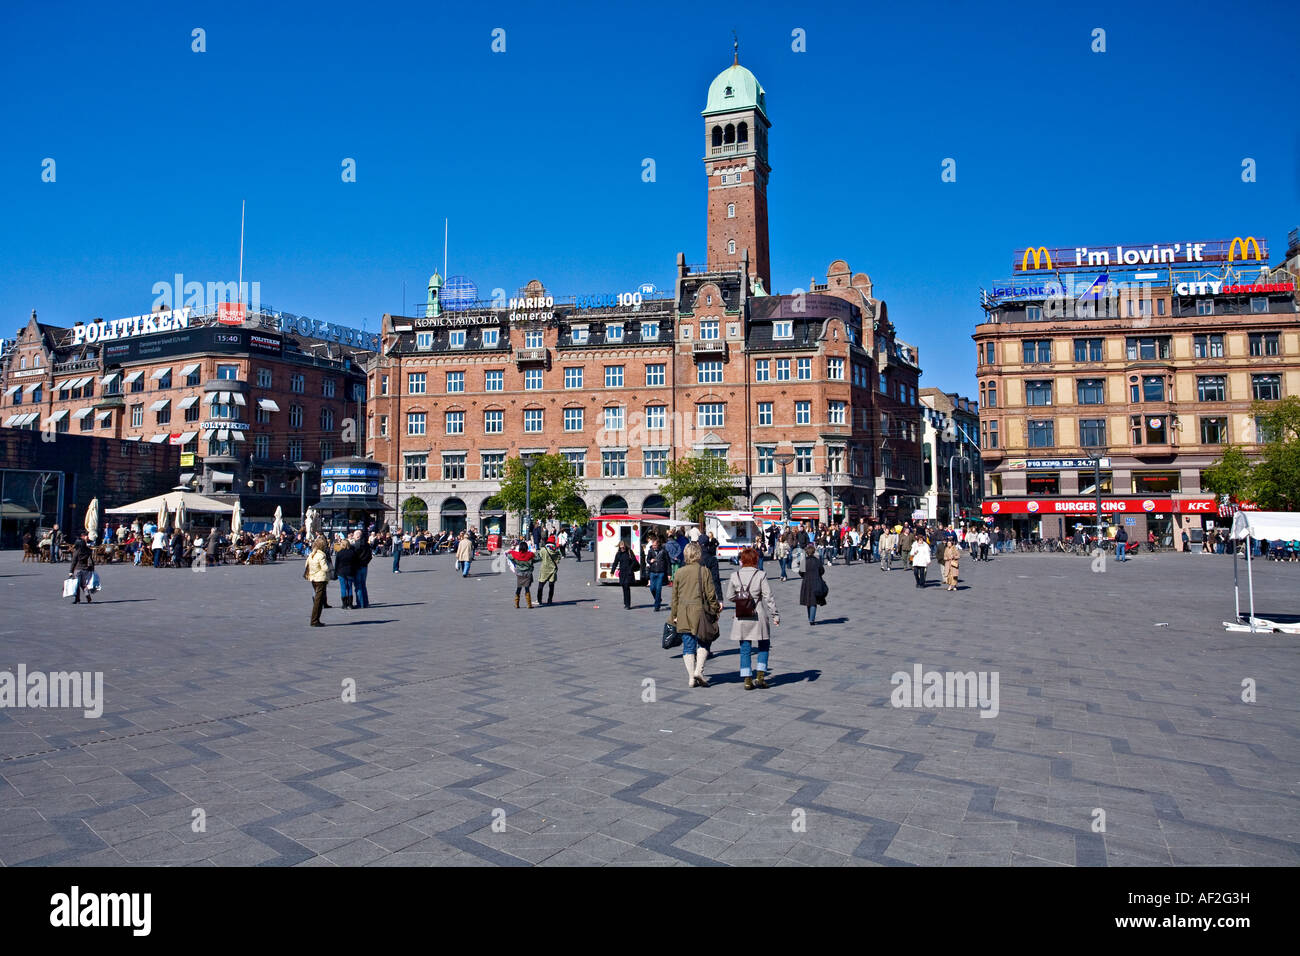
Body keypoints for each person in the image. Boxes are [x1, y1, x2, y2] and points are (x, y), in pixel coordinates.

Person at [724, 547, 780, 690]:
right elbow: (769, 597)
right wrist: (775, 615)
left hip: (742, 614)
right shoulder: (760, 575)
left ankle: (747, 679)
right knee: (764, 645)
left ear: (742, 560)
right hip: (758, 614)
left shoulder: (734, 575)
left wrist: (741, 599)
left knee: (745, 647)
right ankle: (760, 676)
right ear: (755, 560)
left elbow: (729, 596)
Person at [670, 541, 721, 688]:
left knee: (688, 646)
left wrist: (674, 615)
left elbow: (675, 597)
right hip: (700, 613)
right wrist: (715, 609)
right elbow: (711, 594)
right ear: (698, 554)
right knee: (704, 641)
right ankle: (699, 670)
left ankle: (691, 677)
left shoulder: (679, 572)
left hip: (683, 613)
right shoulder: (704, 571)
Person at [798, 544, 827, 625]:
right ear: (814, 552)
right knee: (813, 601)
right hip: (816, 581)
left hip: (806, 582)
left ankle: (810, 617)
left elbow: (801, 573)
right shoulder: (817, 561)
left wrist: (804, 575)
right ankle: (812, 619)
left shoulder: (804, 561)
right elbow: (822, 571)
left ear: (807, 552)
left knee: (808, 600)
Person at [305, 536, 330, 626]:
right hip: (320, 578)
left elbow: (306, 565)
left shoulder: (311, 554)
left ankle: (315, 619)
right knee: (318, 601)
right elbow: (325, 568)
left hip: (313, 578)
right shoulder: (321, 555)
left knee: (318, 599)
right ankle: (315, 620)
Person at [508, 538, 537, 608]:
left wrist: (513, 550)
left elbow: (509, 555)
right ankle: (529, 604)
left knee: (518, 588)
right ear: (527, 548)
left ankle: (517, 604)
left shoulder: (516, 555)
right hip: (528, 574)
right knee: (527, 589)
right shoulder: (530, 555)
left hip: (519, 574)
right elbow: (537, 558)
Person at [611, 539, 639, 610]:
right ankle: (625, 602)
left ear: (625, 546)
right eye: (621, 547)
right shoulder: (618, 554)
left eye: (623, 547)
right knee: (623, 587)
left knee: (626, 586)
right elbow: (615, 563)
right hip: (622, 573)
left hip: (628, 573)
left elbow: (634, 561)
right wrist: (612, 571)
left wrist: (630, 568)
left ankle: (628, 604)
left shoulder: (629, 552)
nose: (622, 548)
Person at [68, 531, 95, 604]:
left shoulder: (77, 551)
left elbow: (74, 562)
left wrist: (70, 571)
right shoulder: (88, 551)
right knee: (83, 584)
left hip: (78, 569)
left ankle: (77, 599)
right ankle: (87, 595)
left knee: (77, 585)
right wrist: (92, 569)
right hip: (86, 569)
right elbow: (91, 561)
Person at [645, 535, 669, 612]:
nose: (654, 546)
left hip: (660, 572)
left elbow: (668, 562)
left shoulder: (664, 551)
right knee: (652, 588)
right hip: (652, 572)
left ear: (658, 544)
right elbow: (647, 559)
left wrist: (669, 573)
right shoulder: (650, 551)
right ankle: (658, 599)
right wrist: (650, 561)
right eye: (653, 545)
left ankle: (656, 606)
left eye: (655, 545)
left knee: (658, 589)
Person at [536, 535, 562, 606]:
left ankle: (539, 600)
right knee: (551, 585)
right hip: (553, 569)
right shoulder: (556, 550)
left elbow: (539, 557)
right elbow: (559, 559)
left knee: (541, 585)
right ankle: (549, 600)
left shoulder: (543, 549)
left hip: (544, 569)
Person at [335, 535, 358, 609]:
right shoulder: (352, 552)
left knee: (343, 588)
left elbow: (337, 564)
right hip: (350, 572)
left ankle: (344, 604)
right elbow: (355, 563)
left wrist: (336, 572)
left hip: (341, 572)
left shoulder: (339, 553)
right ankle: (350, 604)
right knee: (350, 587)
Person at [353, 531, 372, 608]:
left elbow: (353, 556)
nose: (353, 537)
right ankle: (365, 602)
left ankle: (360, 603)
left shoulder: (356, 545)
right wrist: (365, 562)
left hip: (358, 566)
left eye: (354, 535)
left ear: (357, 536)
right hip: (364, 566)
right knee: (363, 584)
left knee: (358, 585)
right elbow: (370, 556)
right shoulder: (366, 544)